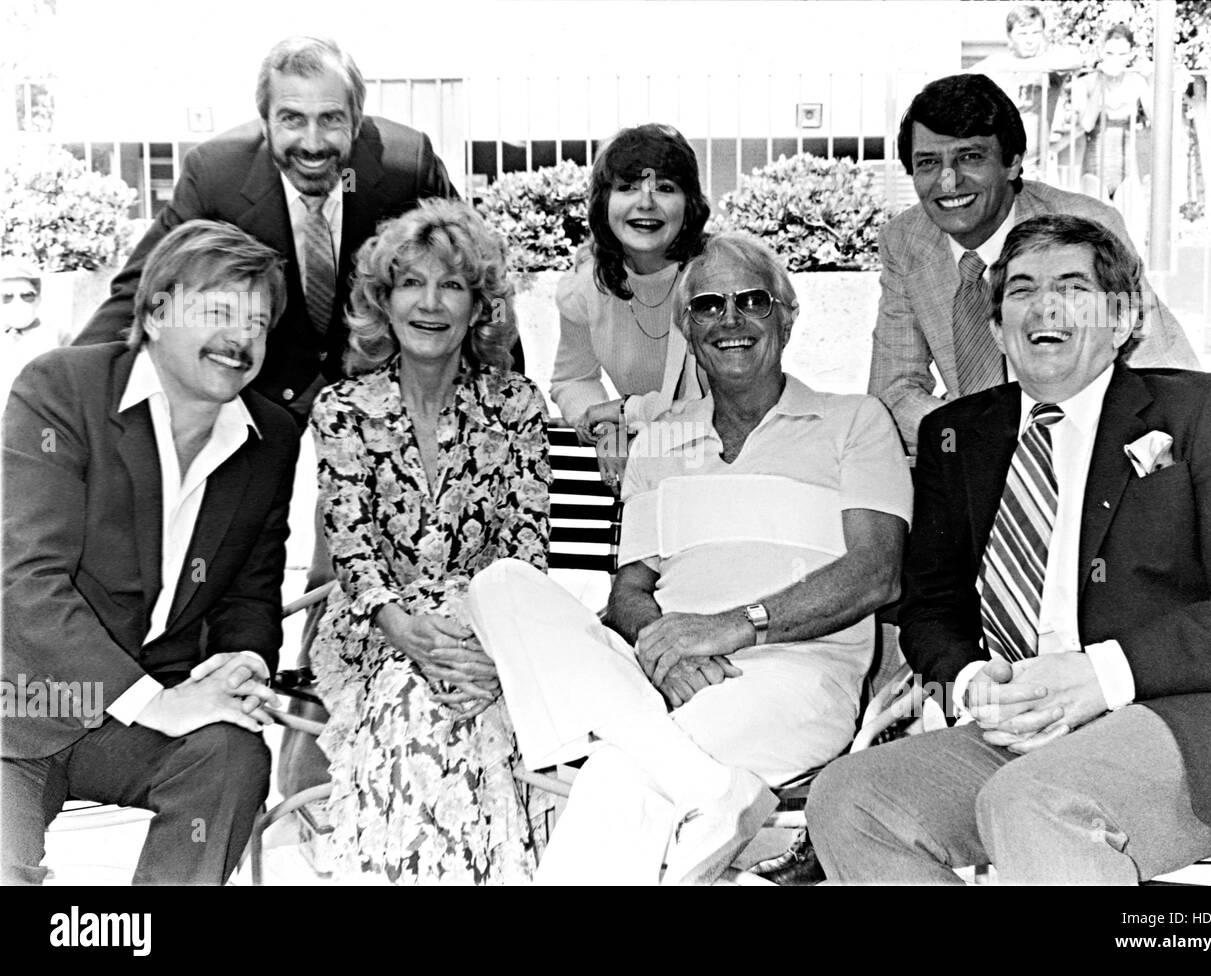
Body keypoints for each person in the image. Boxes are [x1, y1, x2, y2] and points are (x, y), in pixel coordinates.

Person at [808, 215, 1211, 884]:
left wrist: (1103, 675)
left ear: (1123, 318)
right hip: (1025, 729)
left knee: (1034, 800)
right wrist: (976, 683)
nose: (1044, 306)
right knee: (850, 800)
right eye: (1021, 290)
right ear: (995, 327)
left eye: (1072, 287)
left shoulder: (1198, 411)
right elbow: (931, 604)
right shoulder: (960, 437)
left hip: (1196, 720)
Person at [468, 233, 912, 884]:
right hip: (662, 675)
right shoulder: (664, 441)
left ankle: (700, 786)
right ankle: (710, 788)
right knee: (500, 585)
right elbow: (629, 592)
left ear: (786, 314)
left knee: (623, 777)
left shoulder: (855, 422)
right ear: (686, 327)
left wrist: (734, 625)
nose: (729, 321)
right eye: (707, 306)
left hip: (788, 679)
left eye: (751, 300)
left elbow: (875, 573)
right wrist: (663, 649)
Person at [1, 221, 299, 885]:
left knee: (231, 754)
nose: (241, 338)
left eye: (258, 322)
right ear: (157, 312)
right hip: (17, 714)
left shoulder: (269, 437)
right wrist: (157, 703)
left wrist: (240, 663)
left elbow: (251, 590)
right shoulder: (61, 390)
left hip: (140, 726)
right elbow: (26, 584)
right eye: (219, 312)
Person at [307, 199, 551, 884]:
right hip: (378, 625)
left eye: (452, 285)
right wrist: (406, 627)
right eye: (411, 283)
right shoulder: (343, 410)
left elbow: (526, 547)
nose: (431, 303)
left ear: (479, 307)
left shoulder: (516, 404)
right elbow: (350, 545)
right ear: (382, 304)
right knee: (419, 706)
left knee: (477, 711)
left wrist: (486, 645)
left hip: (492, 630)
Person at [73, 35, 463, 423]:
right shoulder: (215, 176)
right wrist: (71, 387)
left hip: (381, 410)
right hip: (260, 412)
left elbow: (477, 276)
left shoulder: (406, 166)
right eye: (292, 119)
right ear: (265, 121)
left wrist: (509, 395)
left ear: (356, 120)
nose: (312, 143)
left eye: (331, 120)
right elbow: (146, 294)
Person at [867, 71, 1198, 454]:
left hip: (1090, 450)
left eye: (970, 157)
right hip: (972, 458)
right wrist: (973, 435)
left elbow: (1162, 370)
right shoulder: (905, 241)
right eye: (927, 163)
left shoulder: (1085, 230)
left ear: (1012, 163)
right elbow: (894, 390)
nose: (947, 181)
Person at [551, 123, 711, 487]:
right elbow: (573, 378)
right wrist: (606, 426)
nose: (646, 203)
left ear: (690, 205)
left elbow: (734, 400)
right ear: (604, 202)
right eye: (627, 188)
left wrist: (626, 413)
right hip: (649, 476)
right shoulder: (586, 287)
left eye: (665, 189)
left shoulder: (717, 277)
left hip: (721, 469)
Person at [966, 3, 1084, 178]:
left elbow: (1076, 58)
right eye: (1022, 34)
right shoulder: (998, 64)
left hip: (1034, 166)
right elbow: (962, 78)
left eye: (1035, 33)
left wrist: (1029, 66)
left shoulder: (1050, 66)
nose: (1030, 40)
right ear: (1010, 37)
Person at [1079, 25, 1152, 234]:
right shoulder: (1088, 82)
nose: (1115, 59)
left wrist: (1151, 79)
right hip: (1094, 168)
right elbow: (1087, 123)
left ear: (1130, 55)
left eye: (1121, 54)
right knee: (1091, 235)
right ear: (1102, 52)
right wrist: (1102, 79)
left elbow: (1157, 121)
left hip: (1127, 170)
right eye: (1110, 53)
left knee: (1132, 234)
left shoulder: (1136, 82)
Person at [1, 260, 57, 400]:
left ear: (38, 299)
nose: (17, 303)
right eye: (7, 297)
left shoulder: (57, 337)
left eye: (26, 296)